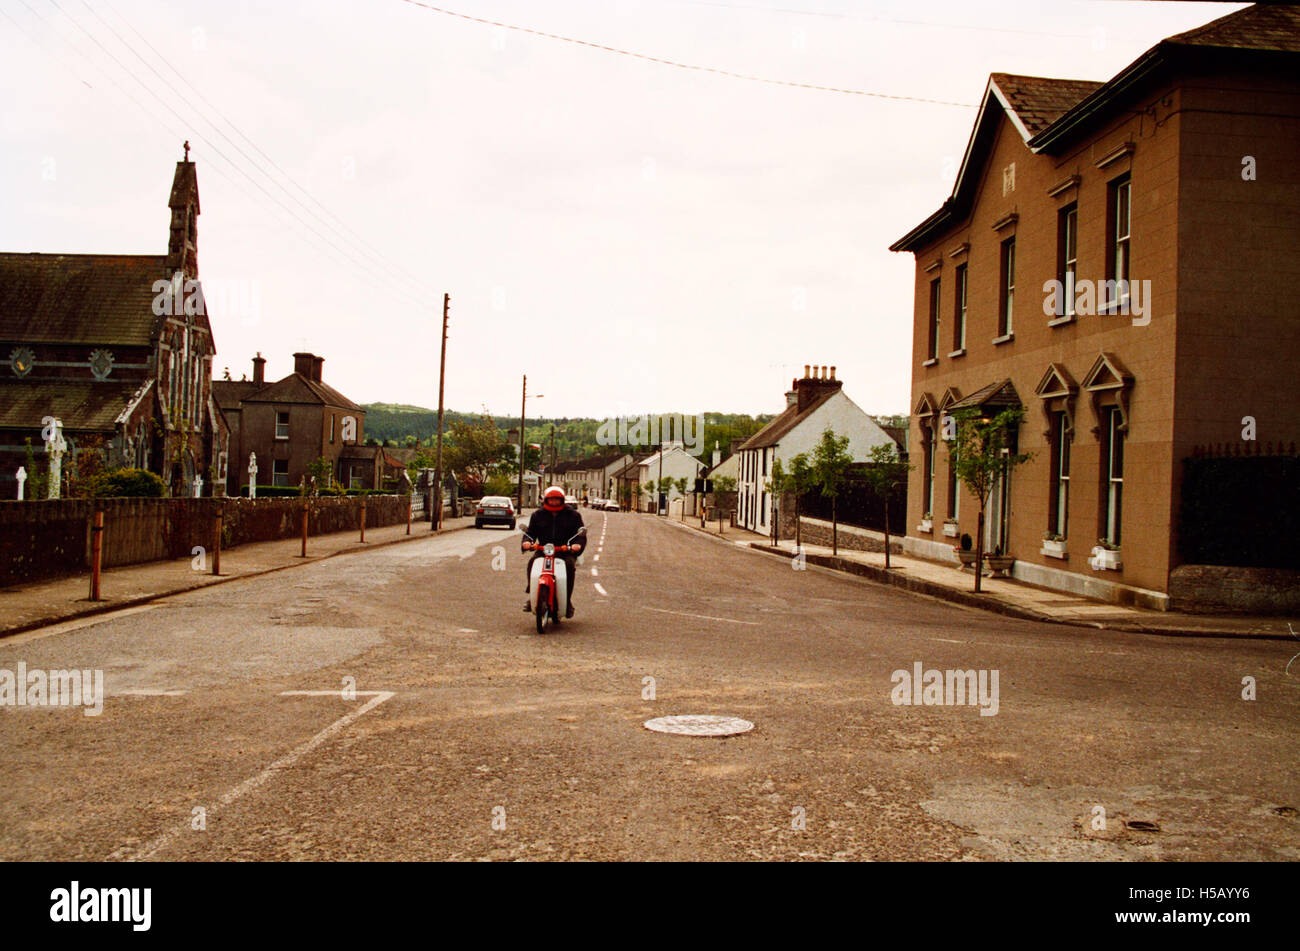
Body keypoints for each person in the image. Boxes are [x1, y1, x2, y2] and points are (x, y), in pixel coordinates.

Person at [523, 485, 586, 617]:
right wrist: (527, 542)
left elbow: (580, 535)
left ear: (562, 500)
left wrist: (576, 546)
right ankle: (533, 594)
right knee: (532, 562)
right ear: (545, 500)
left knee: (569, 566)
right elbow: (530, 533)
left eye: (557, 499)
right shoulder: (537, 515)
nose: (554, 502)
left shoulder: (573, 515)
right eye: (551, 500)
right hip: (544, 550)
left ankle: (567, 601)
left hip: (565, 551)